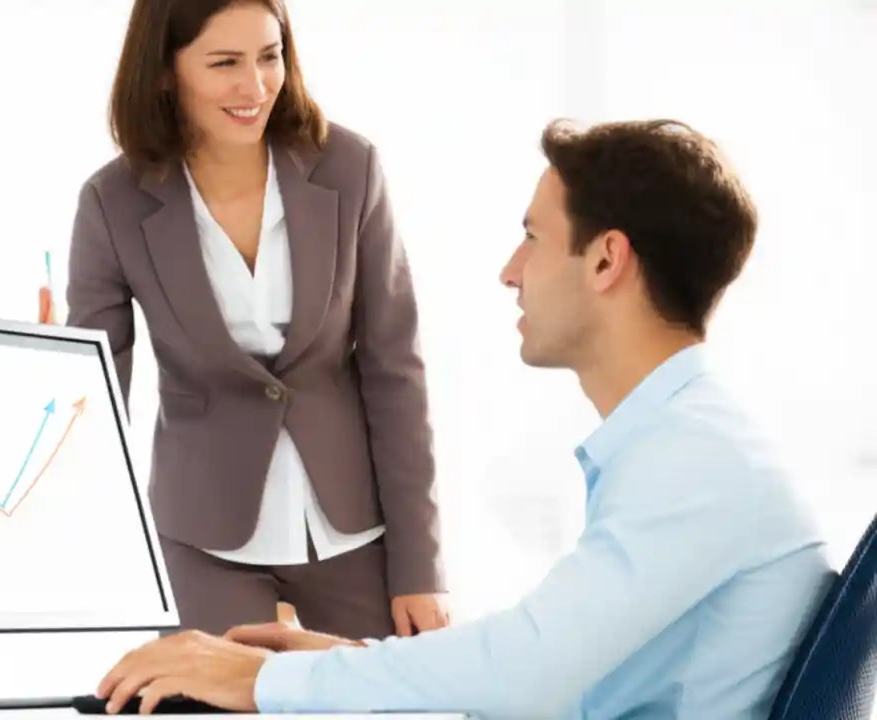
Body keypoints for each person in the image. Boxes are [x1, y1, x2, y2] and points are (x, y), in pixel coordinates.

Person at [91, 119, 834, 718]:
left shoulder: (695, 458)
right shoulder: (688, 439)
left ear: (607, 261)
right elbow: (555, 668)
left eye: (534, 238)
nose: (511, 270)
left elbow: (527, 673)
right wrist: (341, 667)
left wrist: (261, 682)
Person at [50, 0, 449, 639]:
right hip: (204, 534)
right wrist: (48, 371)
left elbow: (395, 369)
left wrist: (421, 565)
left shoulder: (350, 167)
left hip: (352, 524)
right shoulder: (113, 201)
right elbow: (97, 395)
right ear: (163, 72)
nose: (256, 86)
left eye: (270, 56)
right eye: (224, 63)